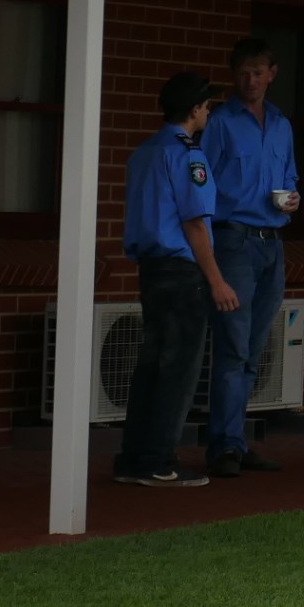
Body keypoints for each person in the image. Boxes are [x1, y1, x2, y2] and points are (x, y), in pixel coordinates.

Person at [117, 71, 239, 488]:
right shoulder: (190, 156)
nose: (208, 111)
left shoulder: (145, 152)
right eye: (206, 105)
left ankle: (133, 455)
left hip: (150, 269)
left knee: (151, 365)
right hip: (181, 271)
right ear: (193, 110)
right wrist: (218, 280)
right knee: (179, 369)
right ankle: (159, 459)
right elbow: (195, 224)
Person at [201, 35, 301, 478]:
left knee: (255, 348)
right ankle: (223, 445)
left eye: (258, 72)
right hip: (234, 240)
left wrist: (293, 199)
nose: (250, 80)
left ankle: (237, 442)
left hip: (272, 243)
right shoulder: (221, 122)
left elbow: (291, 175)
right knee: (234, 347)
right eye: (242, 72)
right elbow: (199, 186)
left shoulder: (281, 124)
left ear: (272, 74)